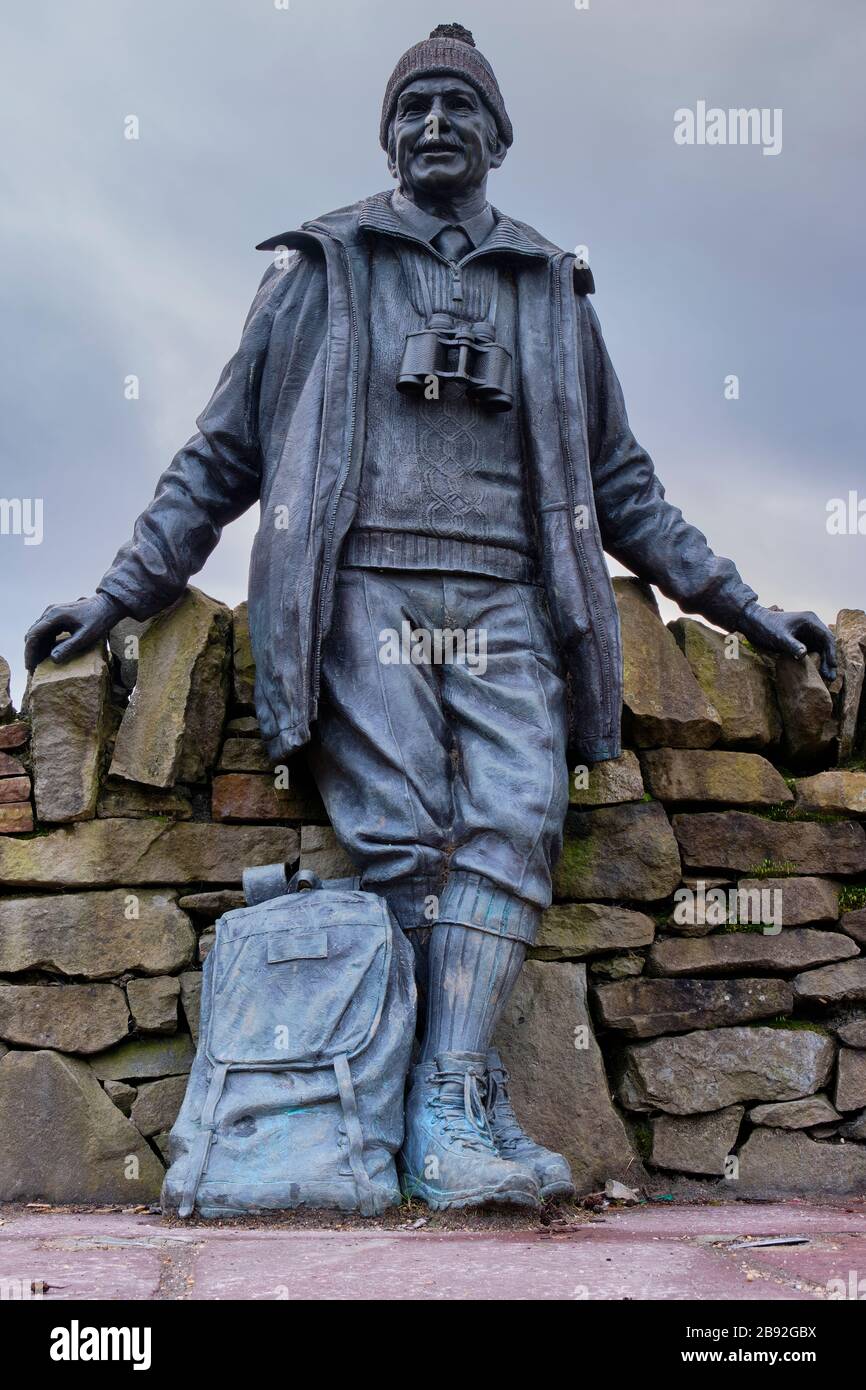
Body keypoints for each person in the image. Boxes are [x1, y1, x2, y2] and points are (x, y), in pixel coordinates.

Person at [25, 23, 836, 1210]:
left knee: (513, 817)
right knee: (405, 838)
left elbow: (622, 488)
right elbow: (219, 457)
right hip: (362, 590)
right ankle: (437, 1111)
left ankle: (447, 1094)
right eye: (413, 110)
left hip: (507, 593)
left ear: (499, 135)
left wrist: (742, 605)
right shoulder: (318, 270)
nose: (436, 125)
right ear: (387, 136)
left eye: (460, 106)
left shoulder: (553, 289)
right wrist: (118, 593)